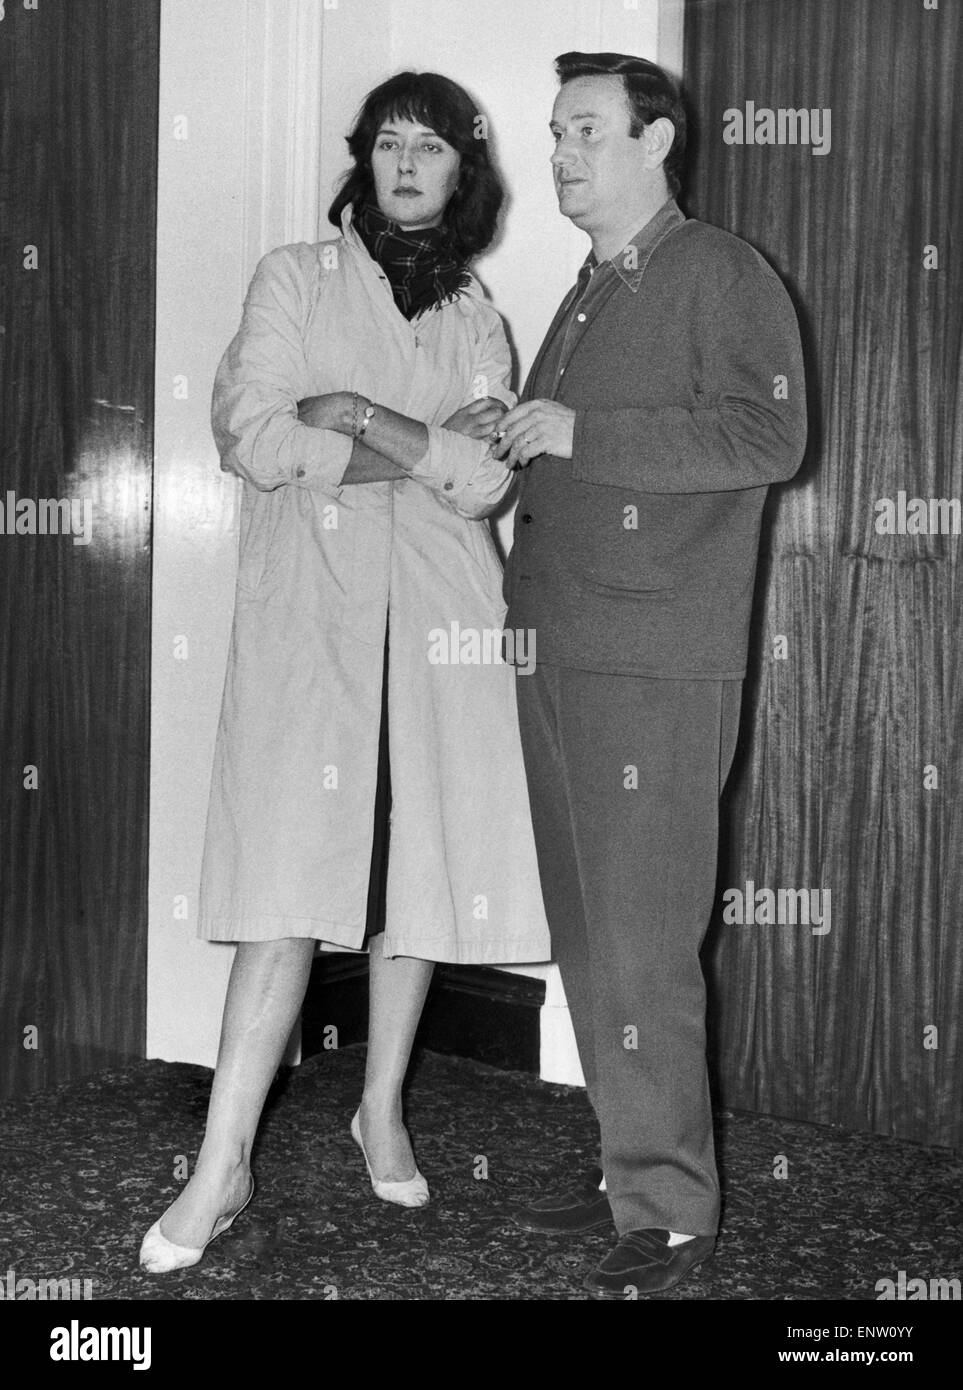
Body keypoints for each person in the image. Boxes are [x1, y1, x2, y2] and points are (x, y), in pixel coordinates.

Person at [140, 71, 549, 1274]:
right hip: (309, 616)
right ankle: (222, 1167)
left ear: (461, 173)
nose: (407, 163)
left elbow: (491, 482)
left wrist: (361, 414)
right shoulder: (292, 277)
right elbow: (248, 432)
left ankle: (381, 1107)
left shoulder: (477, 311)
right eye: (388, 143)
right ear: (361, 159)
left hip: (440, 615)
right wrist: (421, 451)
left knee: (420, 861)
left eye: (431, 147)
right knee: (283, 875)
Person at [495, 52, 807, 1296]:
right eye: (555, 131)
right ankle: (634, 1161)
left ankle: (673, 1211)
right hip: (561, 647)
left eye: (585, 130)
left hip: (655, 660)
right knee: (590, 932)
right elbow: (573, 456)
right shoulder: (587, 290)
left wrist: (584, 432)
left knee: (644, 938)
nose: (561, 151)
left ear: (656, 140)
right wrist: (514, 433)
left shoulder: (719, 271)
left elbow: (770, 433)